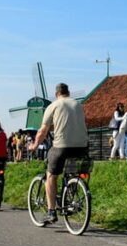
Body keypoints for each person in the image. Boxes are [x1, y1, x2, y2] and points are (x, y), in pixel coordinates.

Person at [28, 83, 89, 225]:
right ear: (69, 93)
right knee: (73, 171)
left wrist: (35, 145)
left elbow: (43, 131)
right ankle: (71, 193)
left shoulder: (53, 106)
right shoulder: (79, 105)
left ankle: (51, 212)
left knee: (51, 176)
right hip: (82, 147)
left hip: (62, 147)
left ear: (57, 94)